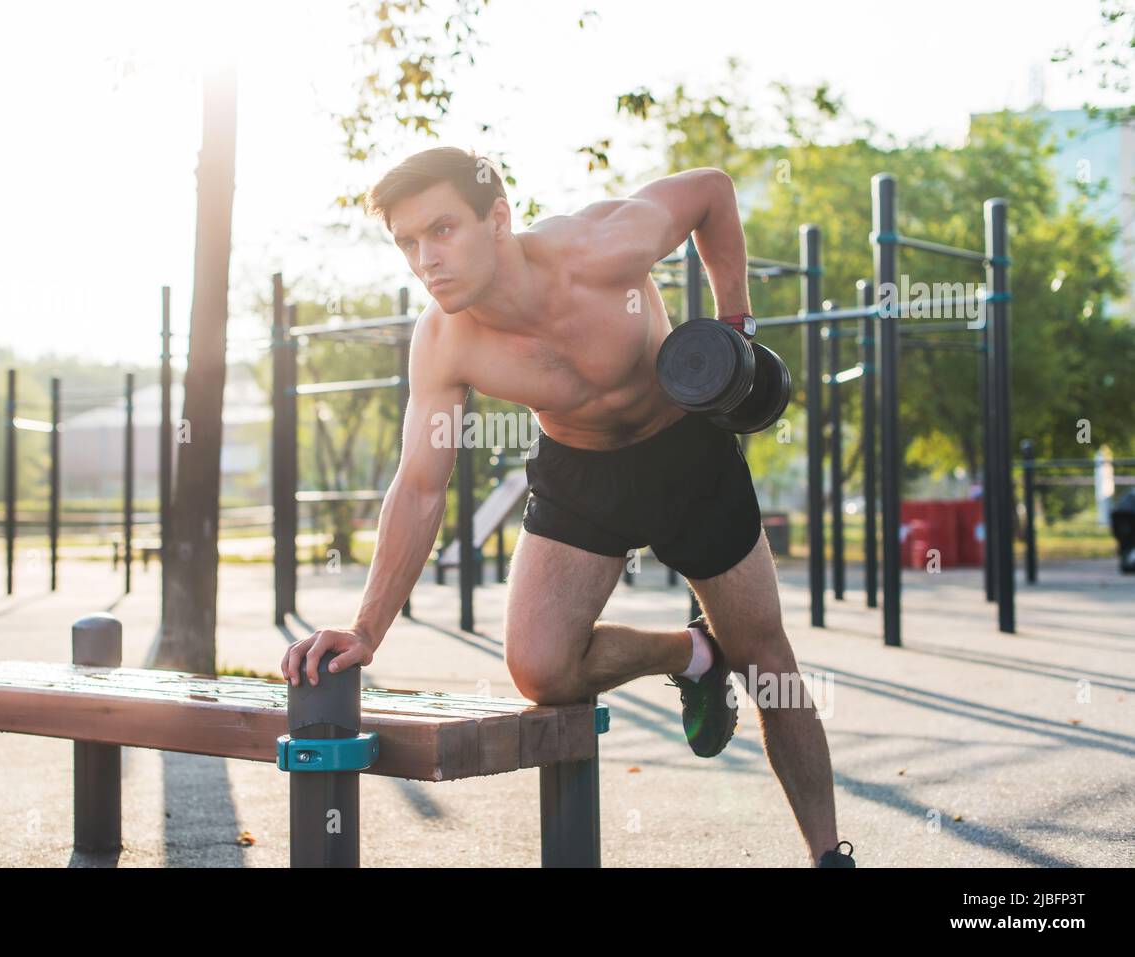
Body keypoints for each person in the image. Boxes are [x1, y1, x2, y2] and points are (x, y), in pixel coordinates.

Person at [281, 146, 854, 868]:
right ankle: (692, 653)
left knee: (766, 657)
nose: (426, 258)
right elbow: (422, 483)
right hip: (579, 474)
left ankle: (830, 854)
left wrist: (734, 326)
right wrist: (367, 627)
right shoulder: (443, 340)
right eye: (408, 242)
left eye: (442, 229)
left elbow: (712, 191)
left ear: (497, 218)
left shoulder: (601, 248)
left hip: (686, 453)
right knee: (541, 669)